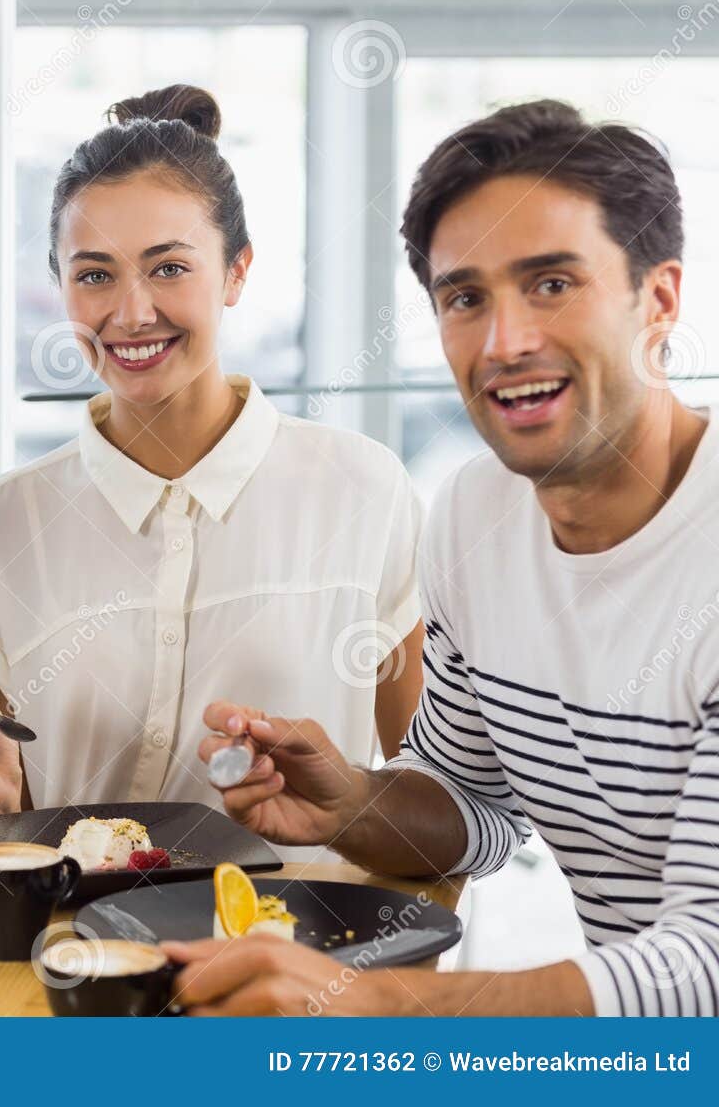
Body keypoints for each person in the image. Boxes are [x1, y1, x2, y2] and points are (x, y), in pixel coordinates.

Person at [175, 100, 717, 1016]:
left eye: (551, 283)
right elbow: (474, 807)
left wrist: (384, 1003)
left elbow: (707, 959)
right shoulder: (476, 512)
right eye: (465, 297)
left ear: (658, 299)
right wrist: (352, 803)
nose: (504, 342)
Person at [0, 86, 423, 830]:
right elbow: (30, 810)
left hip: (297, 937)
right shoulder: (5, 523)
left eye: (169, 267)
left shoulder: (364, 490)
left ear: (237, 271)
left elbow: (430, 797)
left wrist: (401, 948)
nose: (131, 312)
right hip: (74, 943)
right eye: (94, 274)